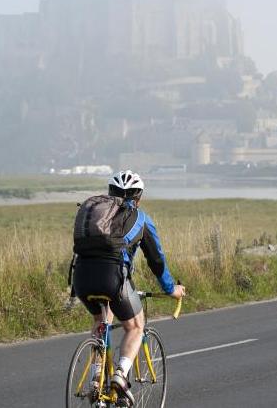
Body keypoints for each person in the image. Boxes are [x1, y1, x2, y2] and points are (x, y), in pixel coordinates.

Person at [72, 170, 185, 406]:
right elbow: (157, 260)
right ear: (139, 197)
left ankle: (96, 380)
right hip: (113, 278)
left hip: (81, 277)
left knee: (100, 320)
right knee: (135, 325)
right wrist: (170, 288)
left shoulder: (96, 213)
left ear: (110, 192)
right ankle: (120, 376)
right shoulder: (141, 218)